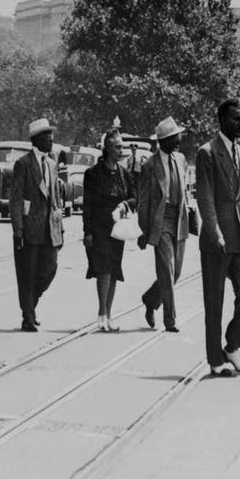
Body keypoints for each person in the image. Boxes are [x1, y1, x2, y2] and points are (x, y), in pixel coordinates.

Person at [195, 99, 240, 377]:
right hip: (217, 239)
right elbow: (205, 197)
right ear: (221, 120)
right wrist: (215, 232)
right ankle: (215, 360)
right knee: (215, 301)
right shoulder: (207, 152)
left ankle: (233, 346)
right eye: (235, 119)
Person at [9, 118, 67, 332]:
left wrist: (60, 229)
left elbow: (56, 200)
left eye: (51, 135)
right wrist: (18, 230)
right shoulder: (23, 164)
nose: (51, 139)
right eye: (46, 136)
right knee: (27, 273)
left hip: (49, 229)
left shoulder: (51, 164)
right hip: (30, 228)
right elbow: (15, 199)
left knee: (50, 269)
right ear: (36, 140)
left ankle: (30, 305)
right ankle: (28, 315)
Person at [138, 117, 191, 333]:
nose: (178, 140)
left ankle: (151, 299)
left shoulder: (180, 159)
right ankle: (170, 319)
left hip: (179, 219)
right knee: (167, 271)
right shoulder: (150, 165)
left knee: (176, 272)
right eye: (174, 137)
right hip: (161, 222)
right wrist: (146, 230)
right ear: (164, 141)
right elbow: (143, 202)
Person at [82, 127, 137, 331]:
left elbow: (134, 197)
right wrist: (87, 231)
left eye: (121, 146)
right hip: (99, 228)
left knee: (114, 270)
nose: (120, 150)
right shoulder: (93, 174)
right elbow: (88, 204)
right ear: (107, 148)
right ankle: (101, 312)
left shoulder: (124, 174)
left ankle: (109, 313)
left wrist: (124, 205)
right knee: (103, 269)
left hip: (118, 228)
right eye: (116, 147)